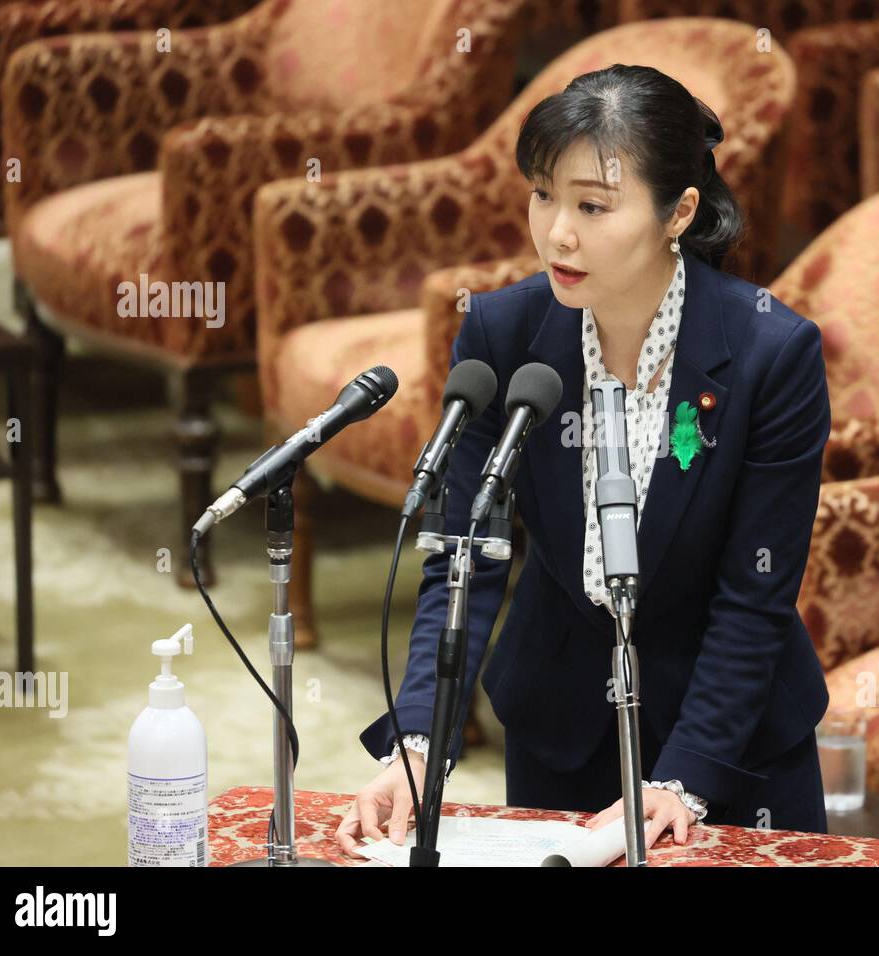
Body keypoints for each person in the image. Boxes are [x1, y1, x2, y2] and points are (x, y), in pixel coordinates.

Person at [336, 64, 831, 858]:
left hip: (732, 749)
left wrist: (682, 780)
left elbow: (755, 596)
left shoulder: (771, 354)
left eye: (593, 206)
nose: (557, 232)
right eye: (543, 195)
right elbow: (464, 560)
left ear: (680, 212)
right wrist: (421, 739)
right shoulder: (502, 334)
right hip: (560, 726)